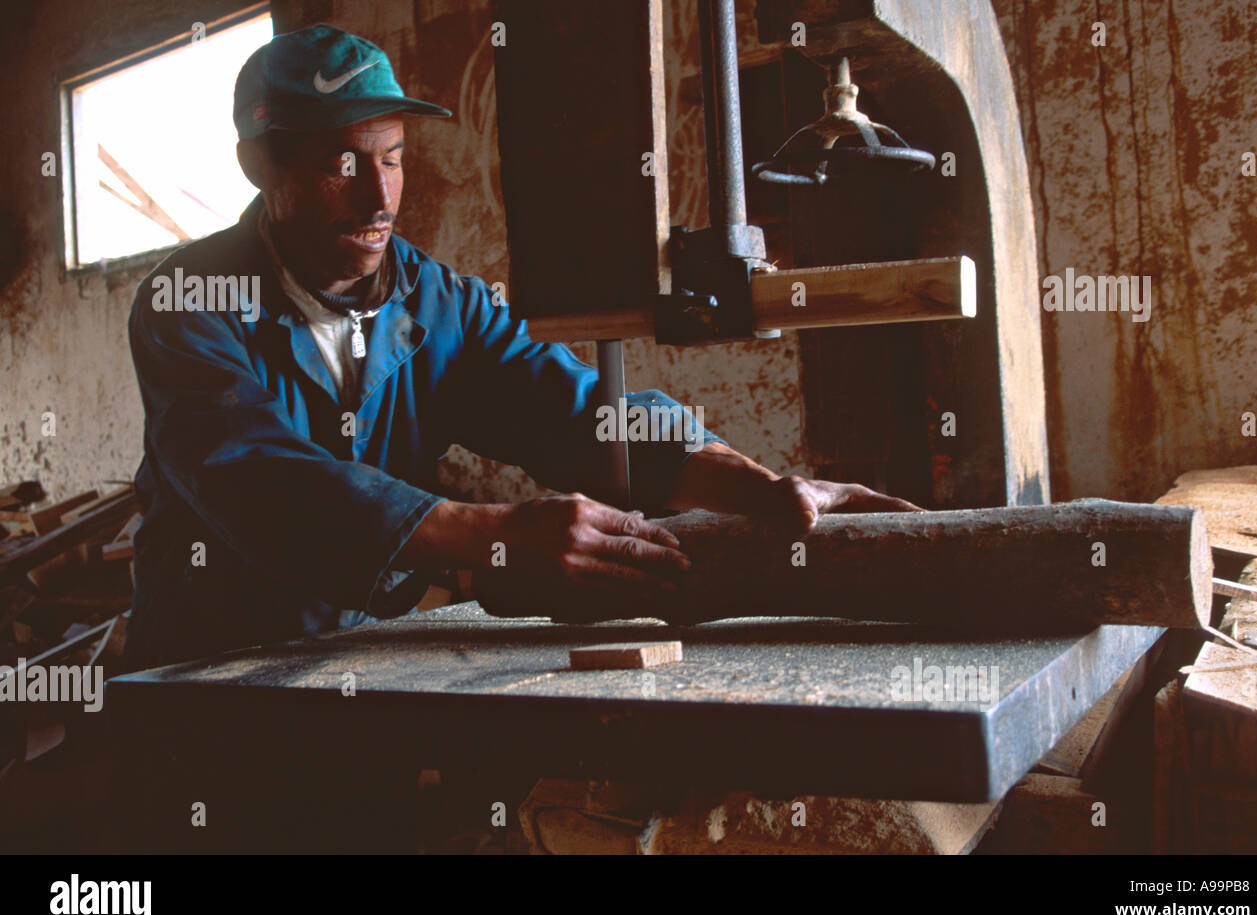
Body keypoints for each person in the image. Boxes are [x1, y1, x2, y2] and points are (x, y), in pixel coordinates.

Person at [125, 25, 918, 669]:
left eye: (393, 159)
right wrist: (499, 534)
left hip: (363, 658)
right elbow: (257, 480)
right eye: (343, 165)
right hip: (206, 667)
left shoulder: (438, 303)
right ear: (260, 166)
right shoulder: (189, 303)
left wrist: (751, 483)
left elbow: (573, 412)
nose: (379, 197)